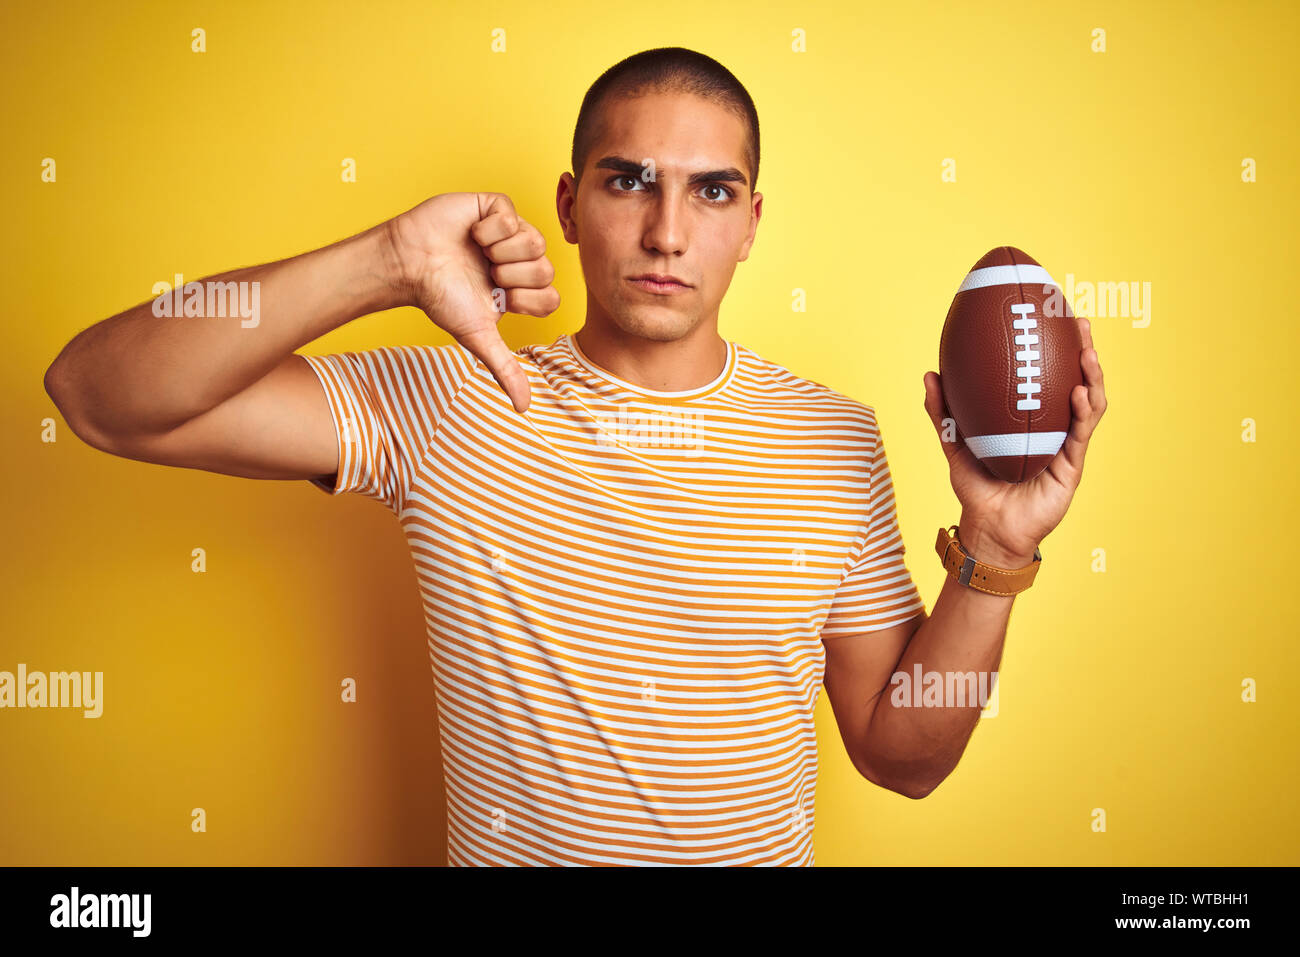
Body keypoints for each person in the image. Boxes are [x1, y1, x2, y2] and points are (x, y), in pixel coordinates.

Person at [43, 47, 1106, 866]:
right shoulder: (445, 398)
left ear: (751, 224)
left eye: (711, 191)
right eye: (628, 180)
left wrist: (992, 552)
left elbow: (902, 756)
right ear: (568, 202)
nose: (666, 231)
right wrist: (387, 262)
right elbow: (101, 397)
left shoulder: (833, 438)